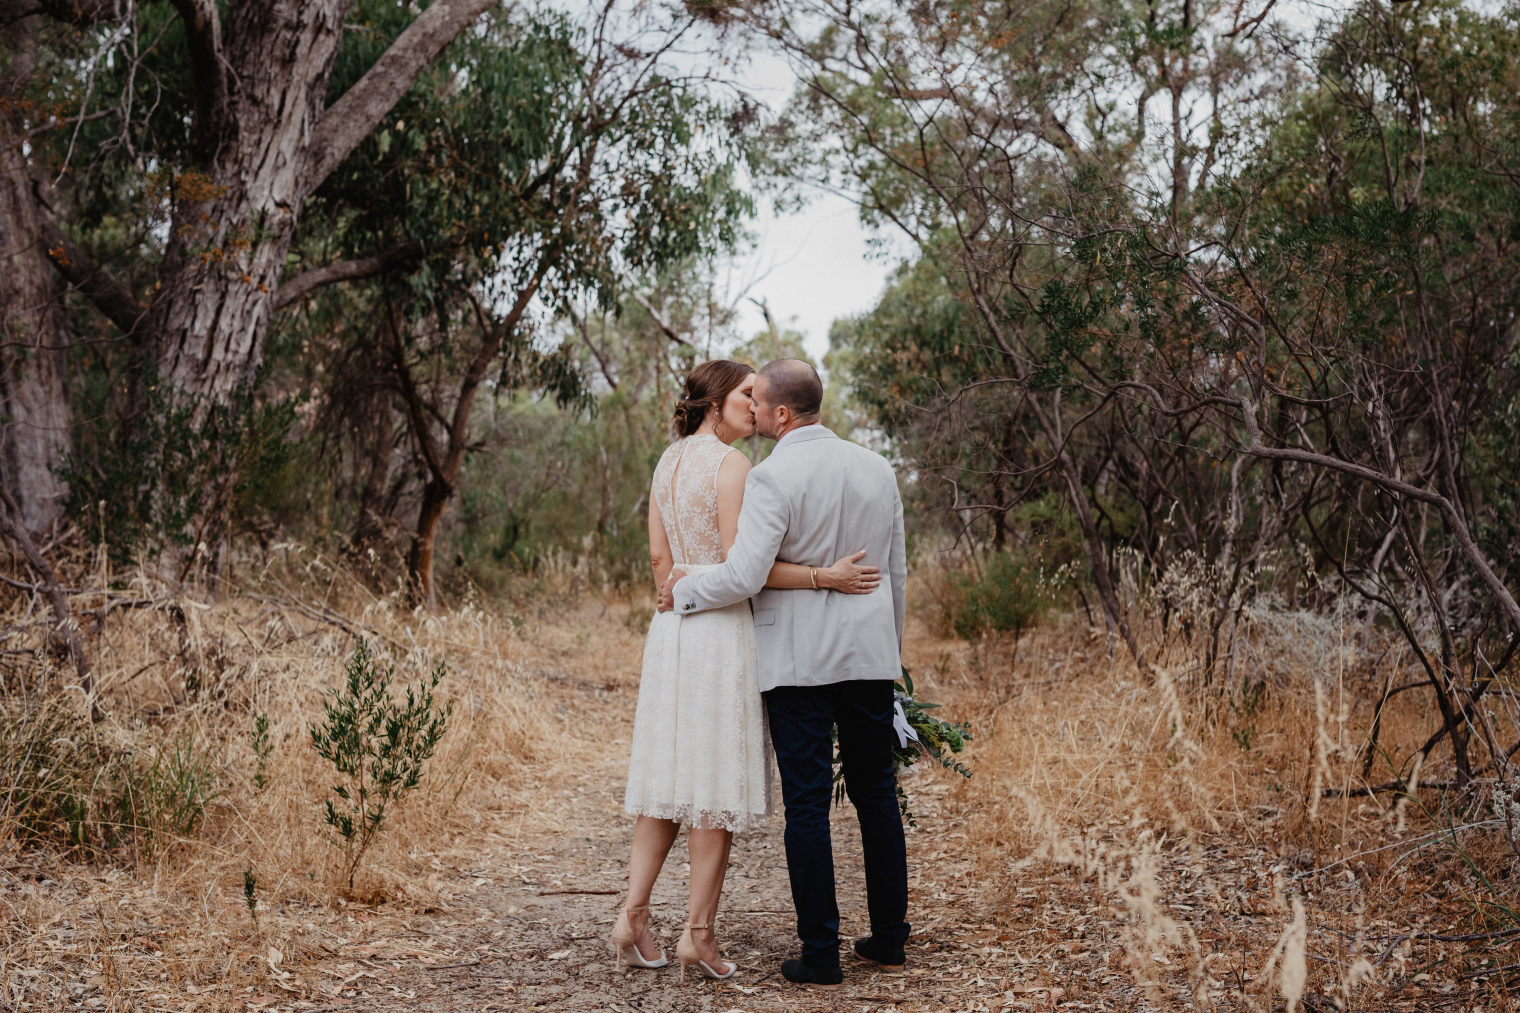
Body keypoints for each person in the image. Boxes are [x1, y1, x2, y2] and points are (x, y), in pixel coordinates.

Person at [613, 359, 881, 982]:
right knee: (713, 783)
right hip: (721, 633)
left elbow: (661, 560)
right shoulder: (735, 466)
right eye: (744, 394)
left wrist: (675, 588)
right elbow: (747, 572)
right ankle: (697, 936)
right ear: (715, 402)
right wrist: (825, 576)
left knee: (668, 779)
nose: (754, 404)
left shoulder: (667, 461)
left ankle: (632, 916)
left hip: (671, 630)